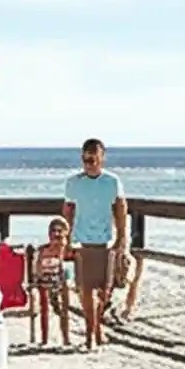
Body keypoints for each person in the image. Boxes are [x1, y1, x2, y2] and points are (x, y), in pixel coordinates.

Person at [62, 138, 128, 352]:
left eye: (93, 157)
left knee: (105, 291)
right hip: (82, 241)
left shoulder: (112, 182)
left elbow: (120, 210)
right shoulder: (73, 183)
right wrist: (66, 239)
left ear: (102, 157)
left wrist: (121, 238)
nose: (89, 162)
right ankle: (91, 333)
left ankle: (96, 326)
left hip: (105, 241)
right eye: (85, 158)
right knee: (84, 289)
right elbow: (68, 211)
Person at [33, 217, 74, 347]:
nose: (56, 234)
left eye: (59, 231)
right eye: (53, 231)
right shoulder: (43, 250)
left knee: (64, 310)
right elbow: (37, 267)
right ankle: (44, 339)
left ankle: (66, 338)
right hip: (45, 279)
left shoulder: (65, 250)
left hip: (60, 280)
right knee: (44, 309)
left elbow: (67, 268)